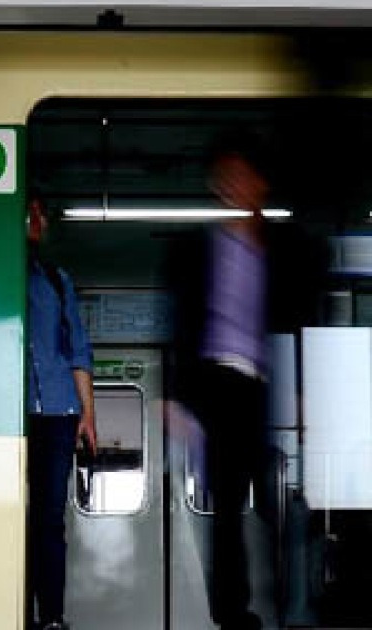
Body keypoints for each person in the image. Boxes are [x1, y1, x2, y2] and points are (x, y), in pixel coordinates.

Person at [167, 130, 327, 630]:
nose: (234, 185)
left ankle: (291, 604)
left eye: (244, 175)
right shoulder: (198, 250)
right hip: (217, 384)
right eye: (226, 177)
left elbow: (304, 316)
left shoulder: (285, 250)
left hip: (265, 386)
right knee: (230, 507)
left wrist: (305, 389)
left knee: (283, 505)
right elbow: (179, 323)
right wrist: (176, 400)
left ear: (261, 184)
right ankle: (234, 615)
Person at [25, 197, 97, 630]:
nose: (41, 221)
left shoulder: (56, 280)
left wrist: (87, 413)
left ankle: (52, 617)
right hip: (8, 417)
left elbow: (78, 351)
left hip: (57, 412)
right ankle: (15, 609)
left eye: (43, 214)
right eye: (32, 212)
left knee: (49, 519)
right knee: (13, 517)